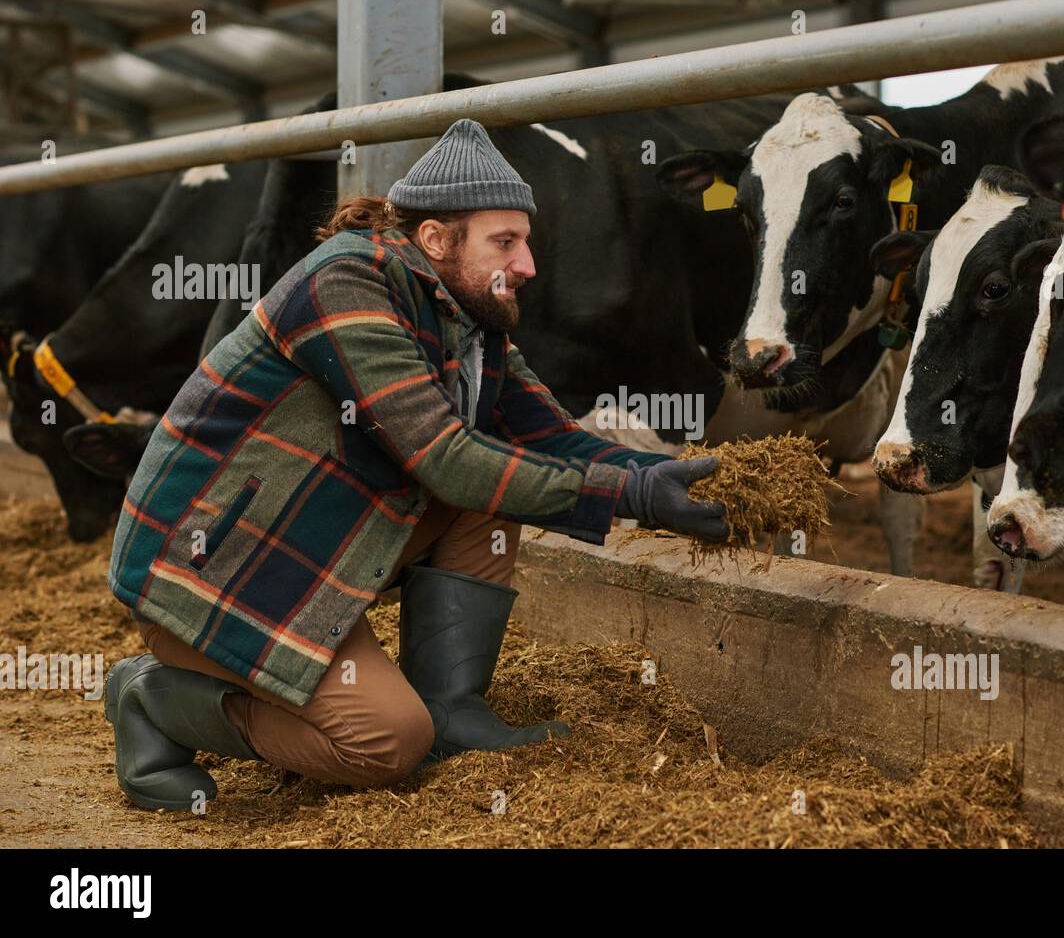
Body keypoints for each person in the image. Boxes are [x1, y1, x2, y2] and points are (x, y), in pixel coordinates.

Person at [103, 119, 728, 812]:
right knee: (384, 743)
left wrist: (662, 477)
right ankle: (150, 695)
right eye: (506, 242)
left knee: (501, 482)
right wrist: (628, 494)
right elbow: (446, 460)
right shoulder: (347, 283)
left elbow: (552, 438)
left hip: (313, 551)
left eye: (525, 241)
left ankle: (451, 709)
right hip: (212, 566)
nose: (528, 265)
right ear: (436, 239)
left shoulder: (468, 316)